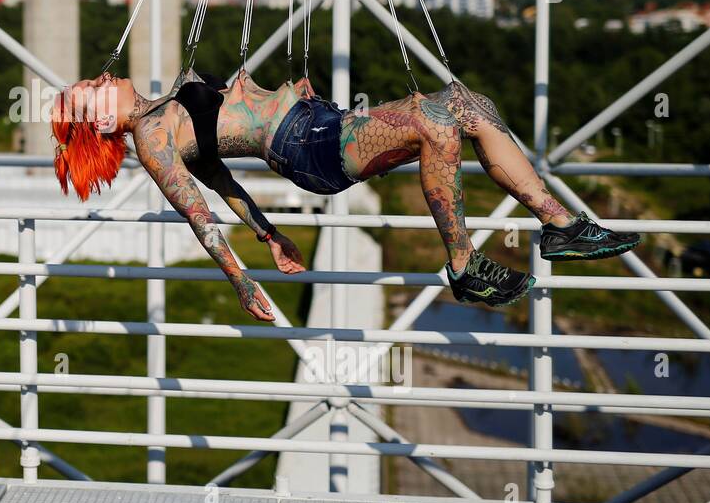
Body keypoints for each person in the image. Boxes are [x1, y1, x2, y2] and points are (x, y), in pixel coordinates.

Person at [51, 68, 639, 321]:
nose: (102, 78)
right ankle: (464, 264)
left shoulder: (161, 112)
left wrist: (269, 232)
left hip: (317, 127)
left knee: (468, 106)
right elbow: (197, 212)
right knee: (436, 120)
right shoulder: (152, 139)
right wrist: (242, 280)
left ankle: (561, 225)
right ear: (101, 125)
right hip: (309, 147)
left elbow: (220, 181)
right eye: (90, 90)